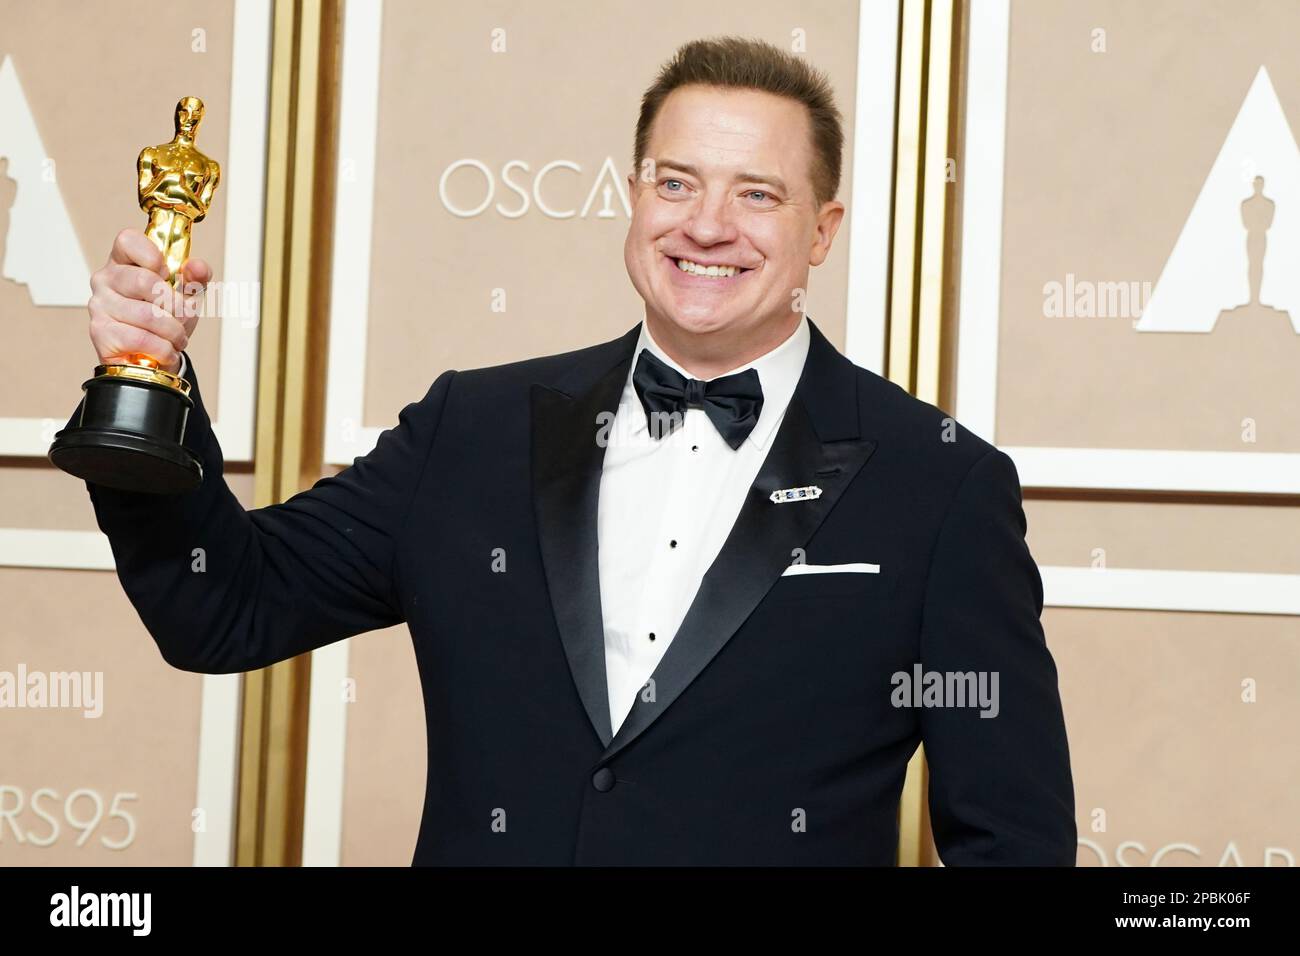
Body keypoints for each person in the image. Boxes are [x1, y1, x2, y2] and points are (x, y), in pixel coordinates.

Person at [71, 36, 1075, 865]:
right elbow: (222, 604)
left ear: (823, 229)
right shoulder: (473, 429)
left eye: (757, 195)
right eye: (676, 181)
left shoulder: (939, 484)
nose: (707, 225)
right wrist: (144, 378)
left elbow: (1015, 840)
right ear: (636, 196)